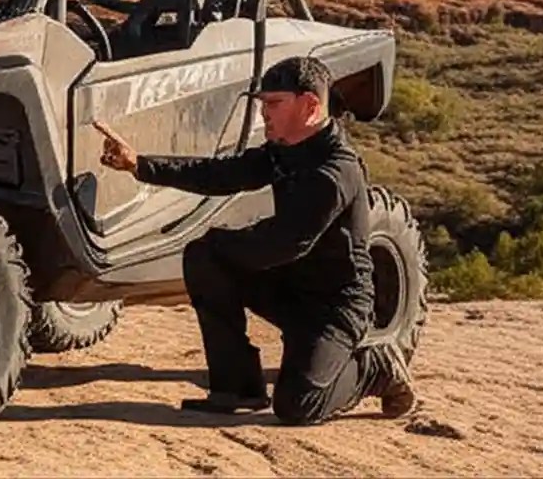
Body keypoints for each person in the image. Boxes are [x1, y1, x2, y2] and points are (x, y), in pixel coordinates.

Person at [94, 55, 417, 425]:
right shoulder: (285, 150)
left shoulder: (335, 172)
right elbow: (221, 174)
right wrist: (139, 164)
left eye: (274, 103)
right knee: (204, 258)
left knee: (298, 406)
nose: (265, 113)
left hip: (334, 307)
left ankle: (376, 367)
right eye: (263, 103)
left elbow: (284, 242)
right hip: (291, 284)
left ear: (310, 106)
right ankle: (237, 388)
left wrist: (220, 243)